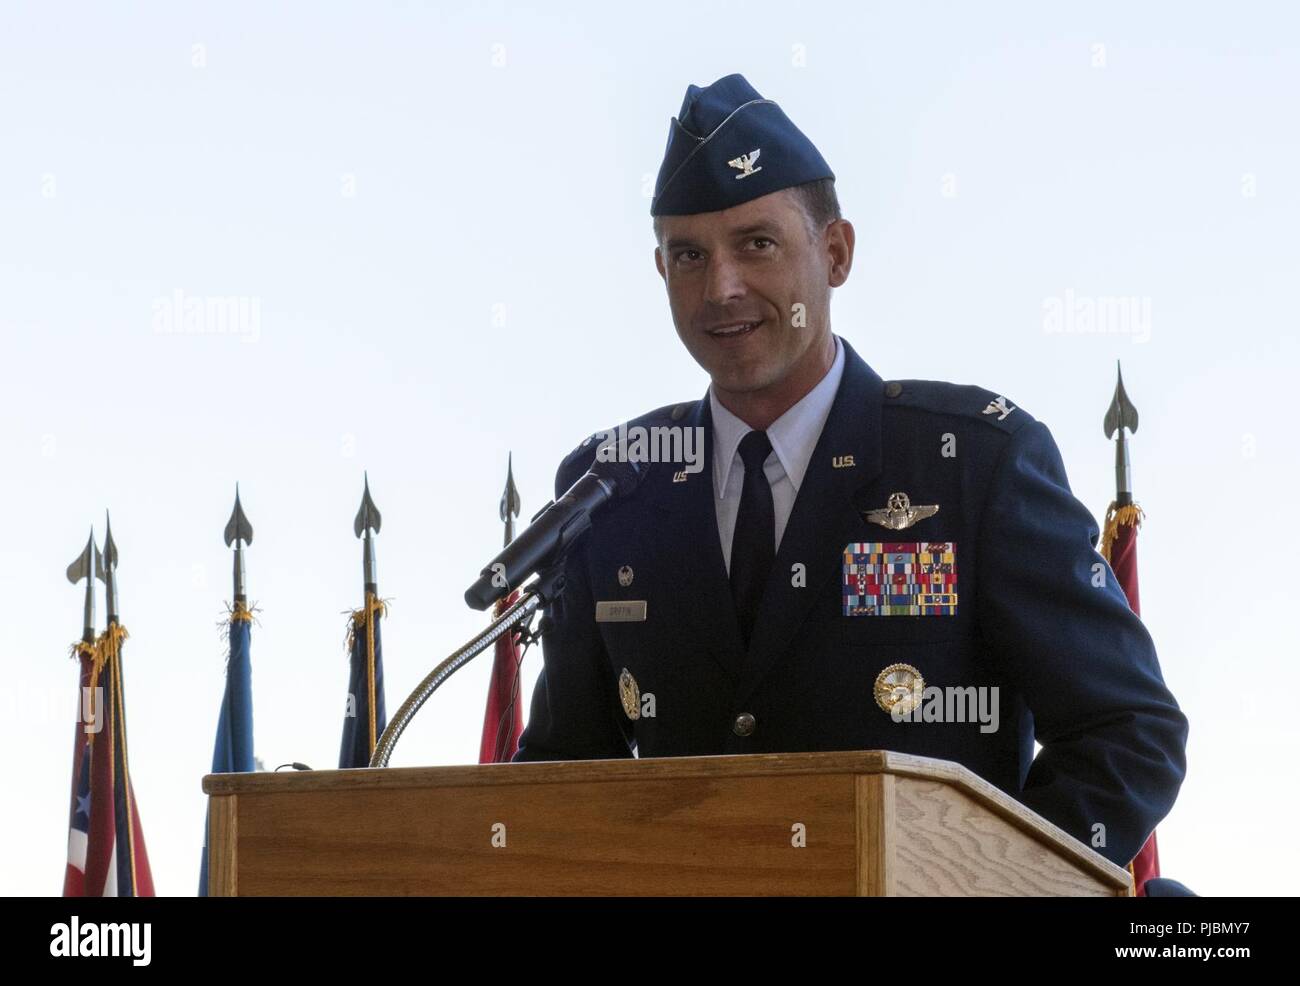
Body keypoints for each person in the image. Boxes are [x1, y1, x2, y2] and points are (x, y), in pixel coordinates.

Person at [512, 72, 1188, 870]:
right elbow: (566, 766)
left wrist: (978, 884)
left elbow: (1129, 731)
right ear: (660, 271)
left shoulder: (974, 464)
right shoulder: (615, 486)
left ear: (835, 253)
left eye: (756, 244)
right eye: (688, 255)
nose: (721, 287)